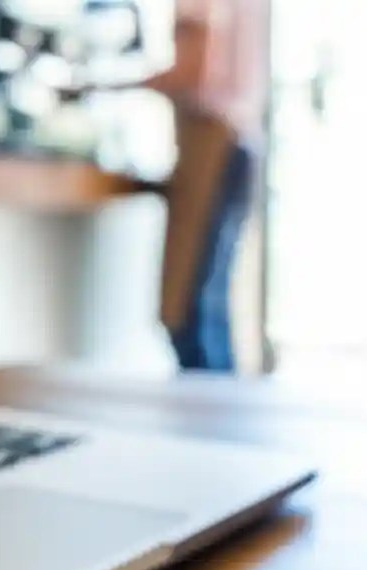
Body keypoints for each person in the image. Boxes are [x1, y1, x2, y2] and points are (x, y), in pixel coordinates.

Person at [146, 0, 268, 371]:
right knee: (208, 308)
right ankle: (222, 417)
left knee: (188, 313)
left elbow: (192, 73)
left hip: (213, 144)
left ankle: (208, 418)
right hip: (238, 142)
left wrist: (95, 84)